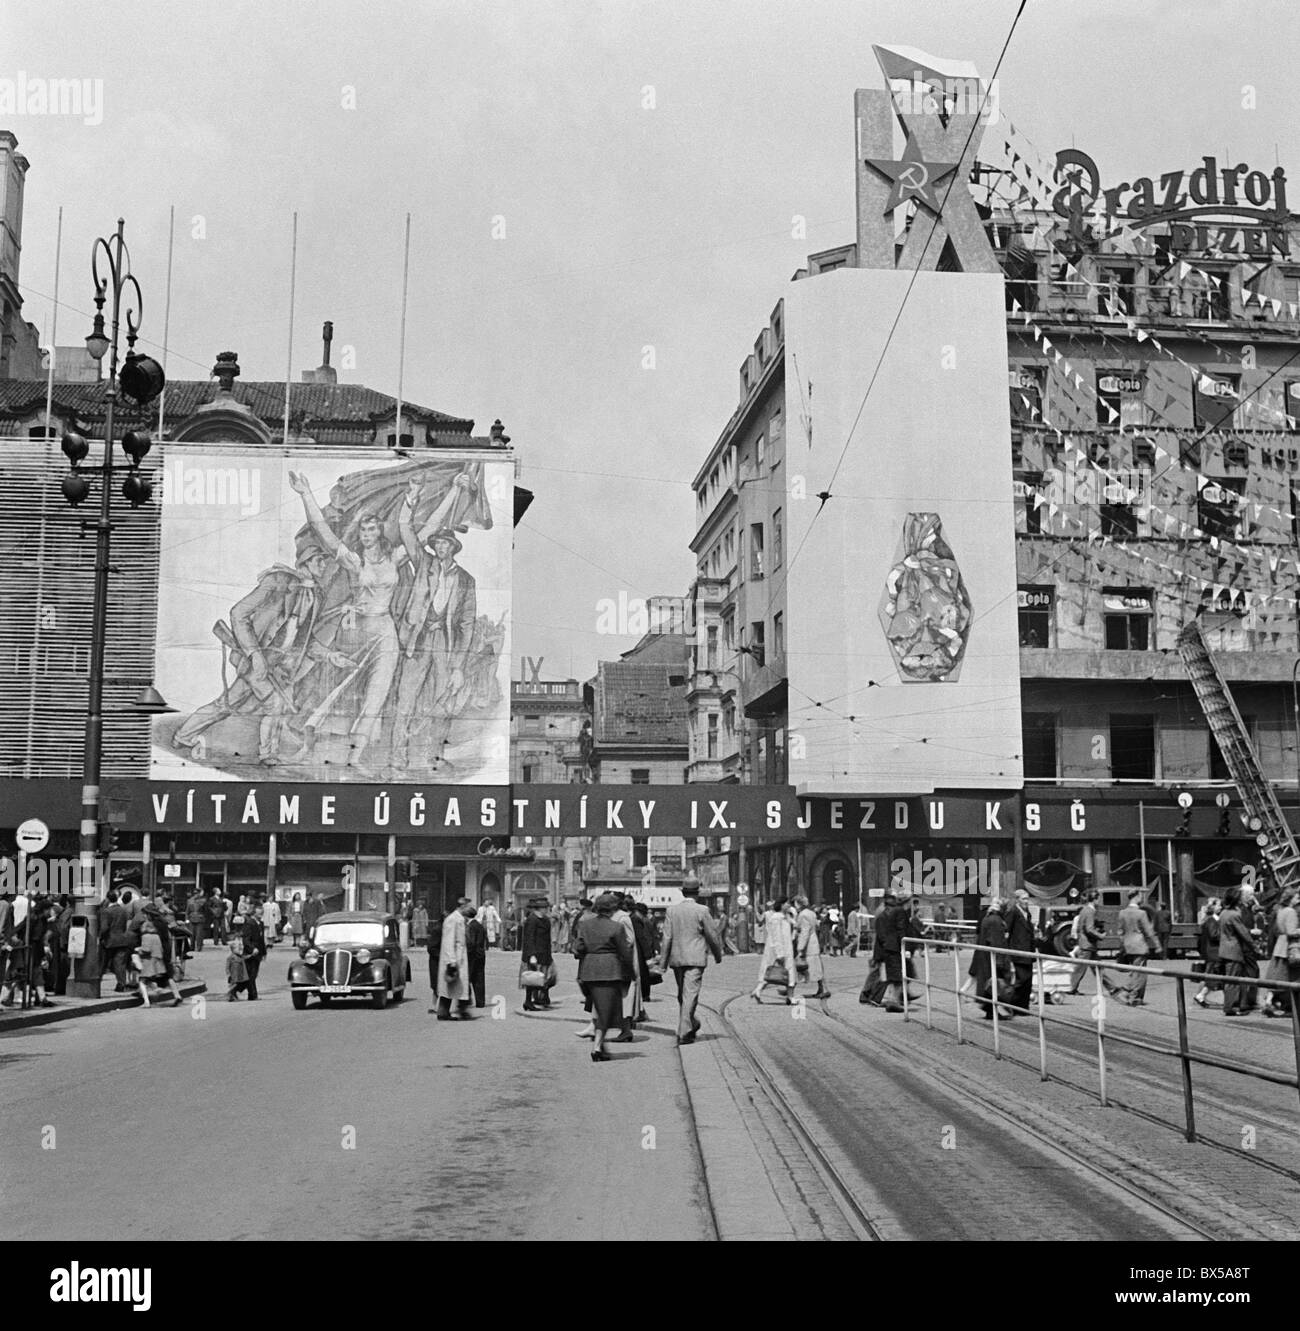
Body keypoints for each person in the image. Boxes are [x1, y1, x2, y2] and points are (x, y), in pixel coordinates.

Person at [657, 880, 723, 1046]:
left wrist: (663, 964)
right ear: (697, 892)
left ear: (683, 892)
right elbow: (712, 935)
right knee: (690, 994)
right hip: (695, 958)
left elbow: (666, 938)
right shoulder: (702, 910)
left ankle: (687, 1026)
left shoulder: (672, 911)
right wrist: (717, 954)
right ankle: (687, 1029)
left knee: (683, 994)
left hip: (677, 958)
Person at [574, 894, 635, 1062]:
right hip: (610, 971)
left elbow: (578, 948)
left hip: (589, 972)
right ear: (612, 909)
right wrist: (630, 973)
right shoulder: (616, 927)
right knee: (606, 1012)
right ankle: (597, 1047)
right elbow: (625, 953)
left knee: (602, 1010)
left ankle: (601, 1046)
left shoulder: (585, 925)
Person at [1104, 889, 1161, 1006]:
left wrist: (1123, 944)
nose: (1141, 898)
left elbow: (1120, 931)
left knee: (1135, 970)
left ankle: (1128, 992)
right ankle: (1132, 995)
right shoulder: (1141, 913)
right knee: (1141, 973)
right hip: (1139, 945)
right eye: (1140, 895)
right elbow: (1149, 931)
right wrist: (1158, 945)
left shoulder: (1122, 913)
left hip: (1128, 946)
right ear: (1136, 896)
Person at [1218, 886, 1258, 1017]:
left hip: (1224, 949)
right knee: (1233, 980)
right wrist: (1254, 946)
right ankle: (1229, 1006)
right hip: (1234, 951)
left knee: (1231, 978)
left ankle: (1236, 1004)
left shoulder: (1223, 913)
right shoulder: (1234, 915)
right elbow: (1244, 933)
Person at [971, 898, 1011, 1019]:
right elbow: (997, 942)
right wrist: (1001, 962)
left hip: (984, 957)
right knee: (994, 985)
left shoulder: (987, 918)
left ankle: (989, 1009)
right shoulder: (996, 921)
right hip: (991, 960)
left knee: (989, 985)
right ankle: (992, 1010)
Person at [136, 906, 184, 1008]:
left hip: (157, 952)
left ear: (149, 915)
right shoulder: (162, 922)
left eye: (145, 914)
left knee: (157, 975)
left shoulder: (153, 925)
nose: (144, 916)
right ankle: (176, 995)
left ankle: (154, 992)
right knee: (167, 975)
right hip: (164, 950)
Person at [435, 899, 475, 1020]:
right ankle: (443, 1012)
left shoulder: (460, 919)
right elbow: (448, 941)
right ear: (462, 906)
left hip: (460, 958)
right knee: (450, 985)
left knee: (456, 986)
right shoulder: (452, 919)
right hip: (454, 959)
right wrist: (451, 961)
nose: (470, 909)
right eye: (468, 906)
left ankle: (458, 1010)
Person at [752, 896, 796, 1004]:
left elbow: (795, 924)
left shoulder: (785, 917)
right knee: (779, 972)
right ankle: (790, 996)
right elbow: (776, 936)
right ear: (781, 904)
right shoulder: (776, 918)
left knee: (772, 971)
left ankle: (758, 990)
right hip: (779, 949)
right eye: (787, 903)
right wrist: (779, 953)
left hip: (784, 948)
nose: (789, 905)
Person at [1264, 887, 1300, 1017]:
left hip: (1280, 945)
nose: (1298, 899)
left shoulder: (1281, 910)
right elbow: (1291, 931)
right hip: (1289, 947)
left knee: (1277, 975)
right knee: (1289, 977)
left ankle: (1271, 1001)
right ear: (1291, 898)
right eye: (1296, 897)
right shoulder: (1290, 911)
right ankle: (1288, 1005)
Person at [1002, 889, 1037, 1013]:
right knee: (1020, 980)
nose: (1026, 901)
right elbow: (1006, 931)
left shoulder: (1027, 913)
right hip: (1018, 952)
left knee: (1028, 981)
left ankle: (1023, 1007)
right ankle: (1012, 1005)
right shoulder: (1013, 912)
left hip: (1028, 952)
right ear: (1017, 900)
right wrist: (1008, 953)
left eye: (1027, 899)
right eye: (1024, 899)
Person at [1066, 889, 1104, 995]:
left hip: (1087, 944)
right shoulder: (1090, 911)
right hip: (1088, 945)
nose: (1099, 901)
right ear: (1095, 899)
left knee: (1096, 968)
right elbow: (1089, 929)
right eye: (1099, 898)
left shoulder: (1084, 910)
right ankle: (1070, 987)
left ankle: (1111, 987)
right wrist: (1100, 935)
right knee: (1081, 968)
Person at [520, 898, 554, 1011]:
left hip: (544, 953)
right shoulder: (532, 920)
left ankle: (542, 998)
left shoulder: (545, 919)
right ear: (540, 909)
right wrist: (532, 955)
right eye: (545, 908)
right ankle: (528, 1001)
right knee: (532, 978)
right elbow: (529, 938)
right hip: (535, 954)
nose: (547, 910)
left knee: (546, 976)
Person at [794, 895, 829, 1000]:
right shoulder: (811, 913)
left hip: (808, 945)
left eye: (795, 903)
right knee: (816, 967)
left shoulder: (803, 915)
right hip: (813, 943)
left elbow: (805, 931)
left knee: (805, 967)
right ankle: (821, 988)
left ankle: (790, 988)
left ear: (799, 904)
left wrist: (800, 947)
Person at [1193, 898, 1222, 1007]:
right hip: (1214, 953)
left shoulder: (1210, 920)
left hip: (1212, 952)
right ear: (1213, 907)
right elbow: (1214, 935)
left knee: (1215, 975)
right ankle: (1201, 995)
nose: (1221, 907)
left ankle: (1201, 995)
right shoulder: (1211, 921)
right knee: (1214, 975)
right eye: (1219, 905)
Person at [631, 902, 657, 1001]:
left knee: (643, 973)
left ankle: (644, 995)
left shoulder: (633, 918)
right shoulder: (636, 920)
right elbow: (641, 938)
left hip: (637, 950)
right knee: (644, 973)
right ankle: (645, 995)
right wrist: (648, 955)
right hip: (639, 951)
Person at [240, 907, 268, 1001]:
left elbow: (261, 939)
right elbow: (246, 939)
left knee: (254, 974)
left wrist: (264, 952)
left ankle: (252, 994)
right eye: (259, 913)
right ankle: (252, 994)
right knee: (251, 974)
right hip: (250, 953)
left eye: (262, 913)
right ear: (254, 913)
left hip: (258, 953)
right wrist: (252, 949)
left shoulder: (261, 923)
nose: (261, 915)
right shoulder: (249, 923)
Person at [465, 908, 488, 1009]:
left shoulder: (471, 926)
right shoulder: (479, 925)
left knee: (468, 977)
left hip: (472, 956)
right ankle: (480, 1002)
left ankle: (466, 1000)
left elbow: (471, 942)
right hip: (481, 955)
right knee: (479, 979)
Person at [225, 935, 250, 1001]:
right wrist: (228, 975)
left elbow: (246, 957)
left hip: (241, 975)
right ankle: (231, 996)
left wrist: (252, 955)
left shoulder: (240, 956)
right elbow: (227, 967)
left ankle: (233, 995)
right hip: (234, 976)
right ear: (232, 949)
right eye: (237, 948)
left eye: (240, 948)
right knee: (234, 986)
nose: (240, 949)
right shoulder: (230, 957)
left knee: (241, 985)